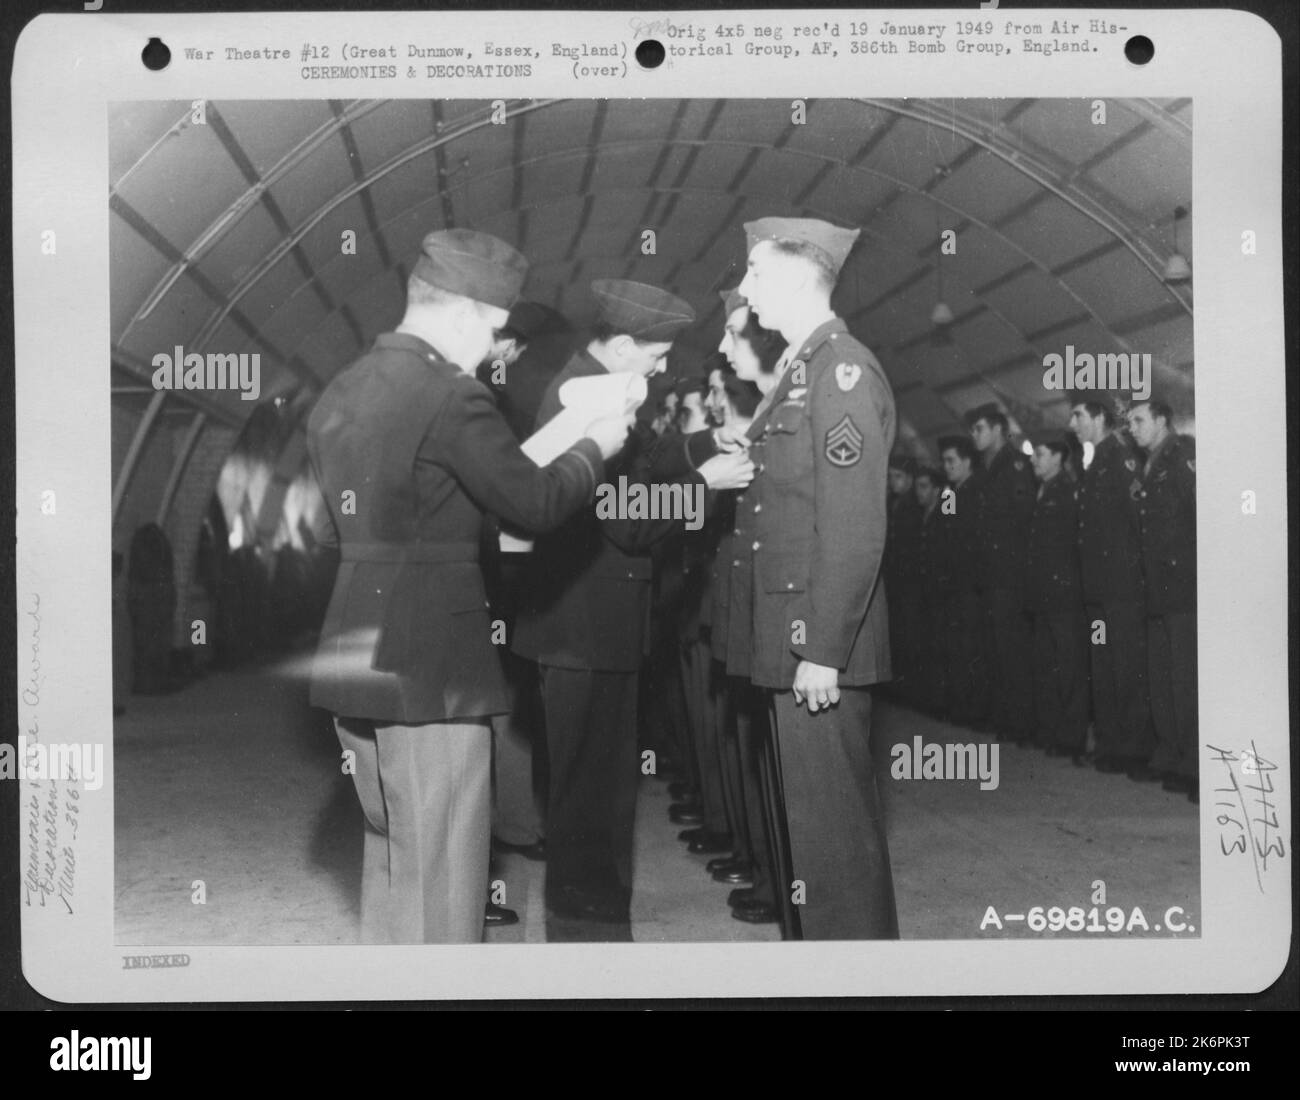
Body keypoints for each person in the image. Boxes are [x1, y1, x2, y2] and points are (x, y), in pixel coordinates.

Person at [306, 229, 632, 944]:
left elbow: (330, 533)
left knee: (393, 866)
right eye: (490, 329)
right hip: (434, 666)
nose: (490, 349)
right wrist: (593, 448)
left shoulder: (342, 387)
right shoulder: (450, 396)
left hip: (353, 656)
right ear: (462, 314)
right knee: (447, 884)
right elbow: (537, 504)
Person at [512, 279, 753, 927]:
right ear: (620, 346)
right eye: (655, 354)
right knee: (589, 775)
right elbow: (625, 517)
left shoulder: (604, 384)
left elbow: (644, 460)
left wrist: (703, 446)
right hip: (583, 623)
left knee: (600, 770)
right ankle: (581, 906)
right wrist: (705, 483)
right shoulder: (582, 398)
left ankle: (590, 891)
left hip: (589, 620)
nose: (665, 366)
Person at [736, 217, 898, 940]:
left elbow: (854, 524)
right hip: (794, 640)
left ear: (802, 276)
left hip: (819, 648)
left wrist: (825, 648)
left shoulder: (842, 369)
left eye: (756, 273)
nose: (745, 289)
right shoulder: (803, 369)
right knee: (811, 843)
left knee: (834, 857)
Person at [1068, 391, 1155, 779]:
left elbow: (1139, 519)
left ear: (1099, 418)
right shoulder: (1096, 462)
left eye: (1078, 416)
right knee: (1103, 666)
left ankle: (1132, 750)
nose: (1073, 424)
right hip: (1099, 594)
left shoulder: (1120, 458)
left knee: (1125, 667)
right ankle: (1110, 744)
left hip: (1121, 590)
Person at [1129, 399, 1198, 801]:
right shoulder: (1150, 462)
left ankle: (1193, 765)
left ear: (1161, 421)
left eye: (1139, 420)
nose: (1133, 428)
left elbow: (1198, 517)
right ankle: (1172, 756)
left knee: (1184, 680)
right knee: (1164, 680)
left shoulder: (1181, 455)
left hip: (1181, 586)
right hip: (1155, 588)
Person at [967, 403, 1036, 743]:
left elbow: (1023, 522)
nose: (974, 435)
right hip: (989, 576)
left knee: (1013, 651)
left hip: (1010, 576)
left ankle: (1021, 723)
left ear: (997, 429)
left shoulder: (1016, 465)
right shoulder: (985, 470)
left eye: (979, 428)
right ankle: (1006, 717)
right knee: (995, 650)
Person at [1025, 437, 1090, 760]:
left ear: (1057, 457)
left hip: (1064, 595)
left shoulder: (1066, 491)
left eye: (1039, 454)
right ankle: (1051, 731)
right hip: (1044, 595)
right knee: (1047, 666)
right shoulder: (1043, 490)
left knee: (1069, 667)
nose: (1033, 460)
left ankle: (1071, 738)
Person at [936, 435, 988, 727]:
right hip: (954, 585)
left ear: (967, 461)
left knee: (972, 650)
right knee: (956, 648)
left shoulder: (977, 491)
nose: (947, 467)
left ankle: (975, 710)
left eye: (951, 461)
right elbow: (945, 533)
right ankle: (961, 705)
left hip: (971, 586)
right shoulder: (951, 492)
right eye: (944, 461)